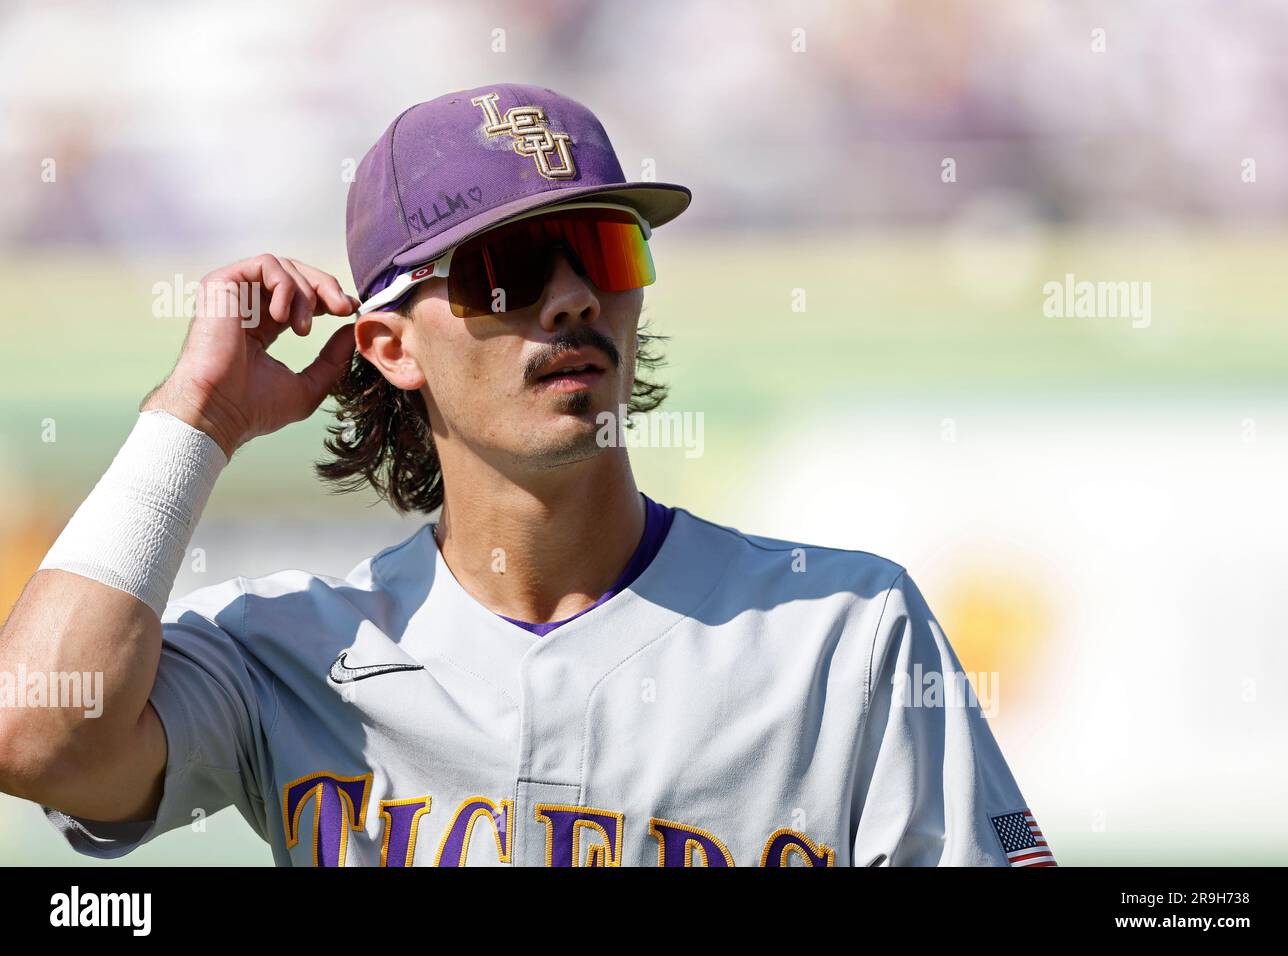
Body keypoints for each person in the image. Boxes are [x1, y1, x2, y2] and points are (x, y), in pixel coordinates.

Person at [0, 83, 1055, 867]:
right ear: (388, 347)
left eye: (602, 248)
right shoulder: (290, 651)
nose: (569, 301)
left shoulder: (844, 626)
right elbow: (38, 734)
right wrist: (195, 420)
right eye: (503, 269)